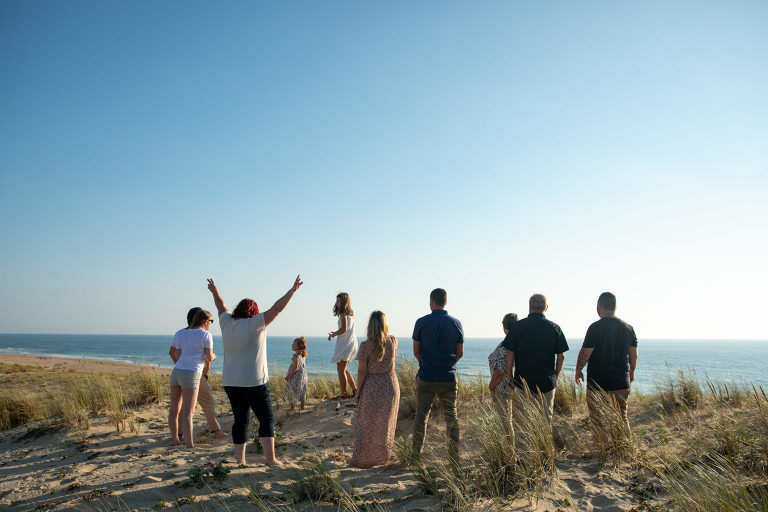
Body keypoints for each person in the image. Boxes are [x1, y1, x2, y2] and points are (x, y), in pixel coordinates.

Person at [206, 275, 303, 466]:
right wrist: (292, 290)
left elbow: (220, 305)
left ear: (238, 310)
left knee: (240, 420)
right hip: (255, 381)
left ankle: (240, 460)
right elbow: (277, 308)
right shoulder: (256, 323)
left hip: (231, 381)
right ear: (254, 312)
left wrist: (214, 290)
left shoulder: (226, 322)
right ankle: (270, 459)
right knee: (266, 418)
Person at [575, 292, 638, 447]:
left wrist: (578, 370)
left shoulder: (595, 327)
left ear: (599, 306)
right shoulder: (628, 328)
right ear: (615, 306)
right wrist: (631, 373)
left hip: (597, 382)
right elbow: (633, 356)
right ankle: (624, 449)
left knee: (598, 420)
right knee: (622, 416)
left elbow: (585, 354)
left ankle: (600, 451)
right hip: (620, 380)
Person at [412, 288, 464, 464]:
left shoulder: (421, 322)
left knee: (421, 417)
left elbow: (416, 352)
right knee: (452, 418)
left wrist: (427, 364)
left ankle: (415, 456)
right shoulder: (456, 323)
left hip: (426, 377)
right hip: (448, 377)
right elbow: (460, 353)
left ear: (431, 302)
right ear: (445, 302)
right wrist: (447, 365)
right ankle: (454, 457)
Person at [503, 294, 568, 420]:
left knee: (522, 422)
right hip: (547, 383)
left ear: (529, 306)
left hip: (522, 382)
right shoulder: (554, 328)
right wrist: (556, 377)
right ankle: (543, 441)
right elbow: (561, 357)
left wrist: (509, 376)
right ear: (546, 307)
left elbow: (509, 353)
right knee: (545, 420)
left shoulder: (517, 327)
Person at [351, 311, 401, 468]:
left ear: (370, 326)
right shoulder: (392, 343)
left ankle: (364, 459)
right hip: (390, 386)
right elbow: (392, 339)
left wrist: (358, 392)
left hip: (372, 386)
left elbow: (361, 372)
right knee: (384, 425)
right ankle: (381, 458)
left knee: (366, 423)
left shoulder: (365, 346)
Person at [172, 307, 228, 442]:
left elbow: (174, 352)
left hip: (180, 372)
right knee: (206, 402)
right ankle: (215, 431)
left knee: (179, 406)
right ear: (201, 321)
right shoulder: (203, 335)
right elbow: (208, 356)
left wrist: (181, 364)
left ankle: (178, 435)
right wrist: (207, 362)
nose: (210, 323)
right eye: (210, 321)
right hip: (193, 373)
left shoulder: (181, 334)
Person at [488, 313, 518, 437]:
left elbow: (500, 372)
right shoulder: (519, 343)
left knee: (506, 423)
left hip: (503, 389)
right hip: (516, 388)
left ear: (504, 328)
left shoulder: (505, 346)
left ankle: (510, 451)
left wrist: (491, 387)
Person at [328, 293, 358, 399]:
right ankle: (355, 390)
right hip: (352, 343)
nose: (337, 302)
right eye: (337, 300)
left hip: (346, 344)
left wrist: (333, 334)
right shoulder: (350, 313)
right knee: (343, 368)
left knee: (340, 369)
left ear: (344, 302)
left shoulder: (343, 314)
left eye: (339, 301)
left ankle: (344, 393)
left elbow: (344, 329)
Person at [285, 336, 308, 412]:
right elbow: (303, 366)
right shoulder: (302, 356)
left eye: (293, 344)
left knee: (292, 391)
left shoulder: (295, 356)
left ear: (298, 347)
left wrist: (289, 376)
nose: (292, 345)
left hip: (296, 378)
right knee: (302, 391)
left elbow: (295, 367)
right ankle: (302, 407)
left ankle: (292, 407)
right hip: (303, 378)